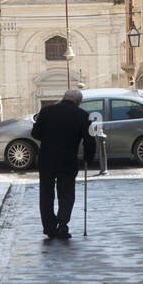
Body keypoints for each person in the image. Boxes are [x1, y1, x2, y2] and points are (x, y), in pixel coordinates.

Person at [31, 88, 95, 240]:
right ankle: (62, 224)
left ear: (63, 97)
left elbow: (35, 134)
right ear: (78, 102)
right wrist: (88, 158)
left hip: (47, 160)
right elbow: (90, 140)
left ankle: (49, 227)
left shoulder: (46, 111)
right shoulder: (83, 115)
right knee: (66, 194)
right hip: (68, 160)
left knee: (46, 194)